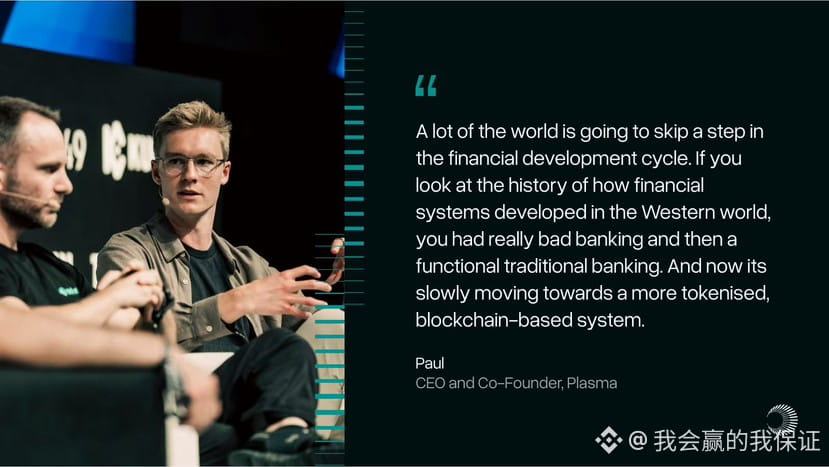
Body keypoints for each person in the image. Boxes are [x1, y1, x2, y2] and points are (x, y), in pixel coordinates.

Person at [97, 100, 345, 465]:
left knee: (334, 324)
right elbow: (131, 337)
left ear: (224, 172)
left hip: (257, 407)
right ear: (156, 172)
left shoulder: (247, 264)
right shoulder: (128, 250)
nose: (190, 175)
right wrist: (234, 303)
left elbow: (309, 333)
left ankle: (300, 447)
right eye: (176, 161)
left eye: (203, 162)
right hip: (183, 409)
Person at [0, 95, 220, 434]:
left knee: (277, 353)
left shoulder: (52, 266)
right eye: (48, 169)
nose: (66, 185)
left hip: (105, 421)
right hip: (45, 433)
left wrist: (148, 305)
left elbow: (116, 330)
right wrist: (113, 301)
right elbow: (17, 332)